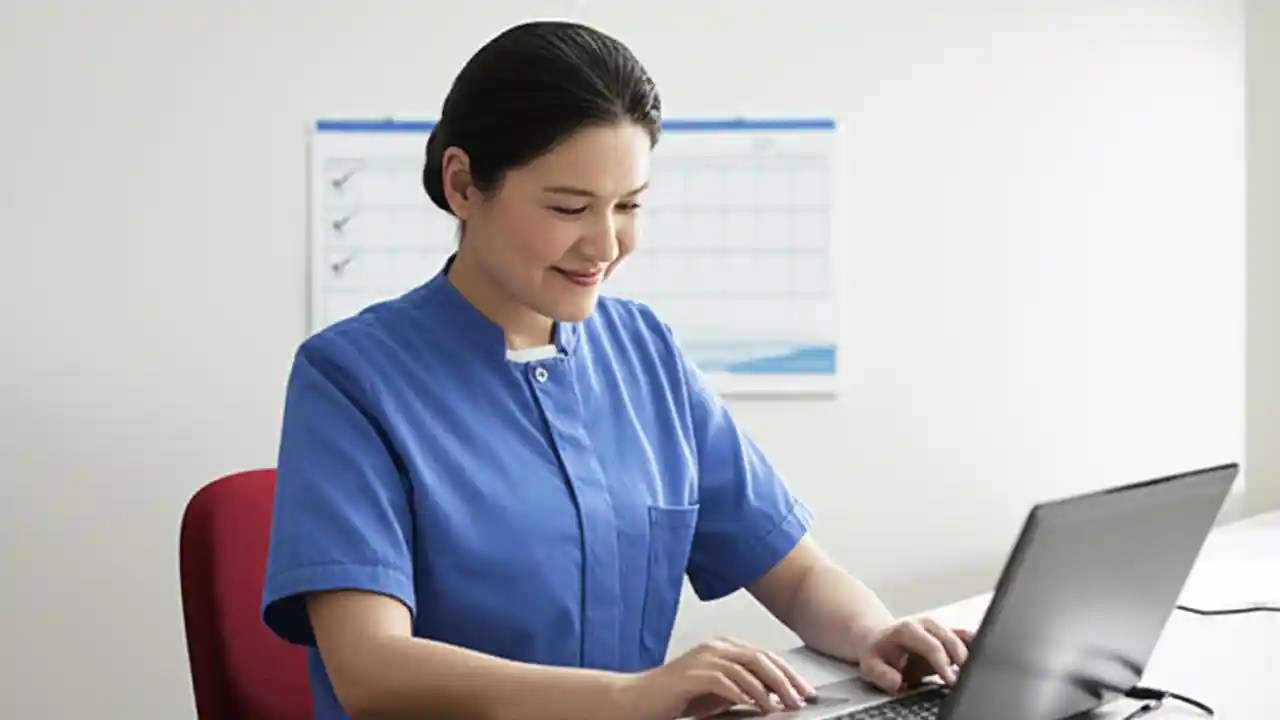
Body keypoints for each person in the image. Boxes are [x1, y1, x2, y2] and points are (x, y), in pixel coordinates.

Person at [261, 19, 972, 720]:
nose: (605, 244)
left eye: (630, 205)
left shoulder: (644, 351)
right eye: (569, 207)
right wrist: (630, 699)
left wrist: (873, 634)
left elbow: (797, 571)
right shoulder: (351, 380)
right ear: (464, 184)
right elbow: (371, 669)